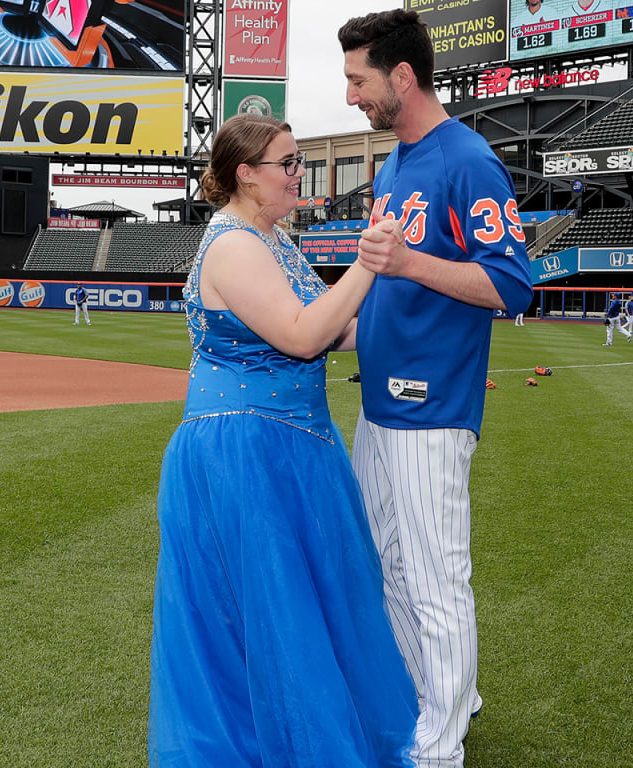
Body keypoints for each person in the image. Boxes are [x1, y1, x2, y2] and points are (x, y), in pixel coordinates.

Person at [148, 114, 417, 766]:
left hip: (290, 447)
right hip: (244, 454)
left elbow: (337, 331)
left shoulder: (271, 239)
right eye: (288, 163)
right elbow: (301, 334)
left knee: (310, 606)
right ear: (247, 173)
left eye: (298, 161)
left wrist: (415, 301)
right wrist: (366, 262)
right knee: (273, 613)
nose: (299, 174)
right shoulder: (235, 244)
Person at [340, 10, 532, 767]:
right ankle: (444, 696)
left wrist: (409, 263)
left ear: (403, 76)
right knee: (384, 567)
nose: (352, 94)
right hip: (379, 405)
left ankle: (439, 749)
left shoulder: (467, 160)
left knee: (436, 579)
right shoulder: (394, 165)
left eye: (359, 80)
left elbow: (513, 286)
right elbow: (387, 291)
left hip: (432, 407)